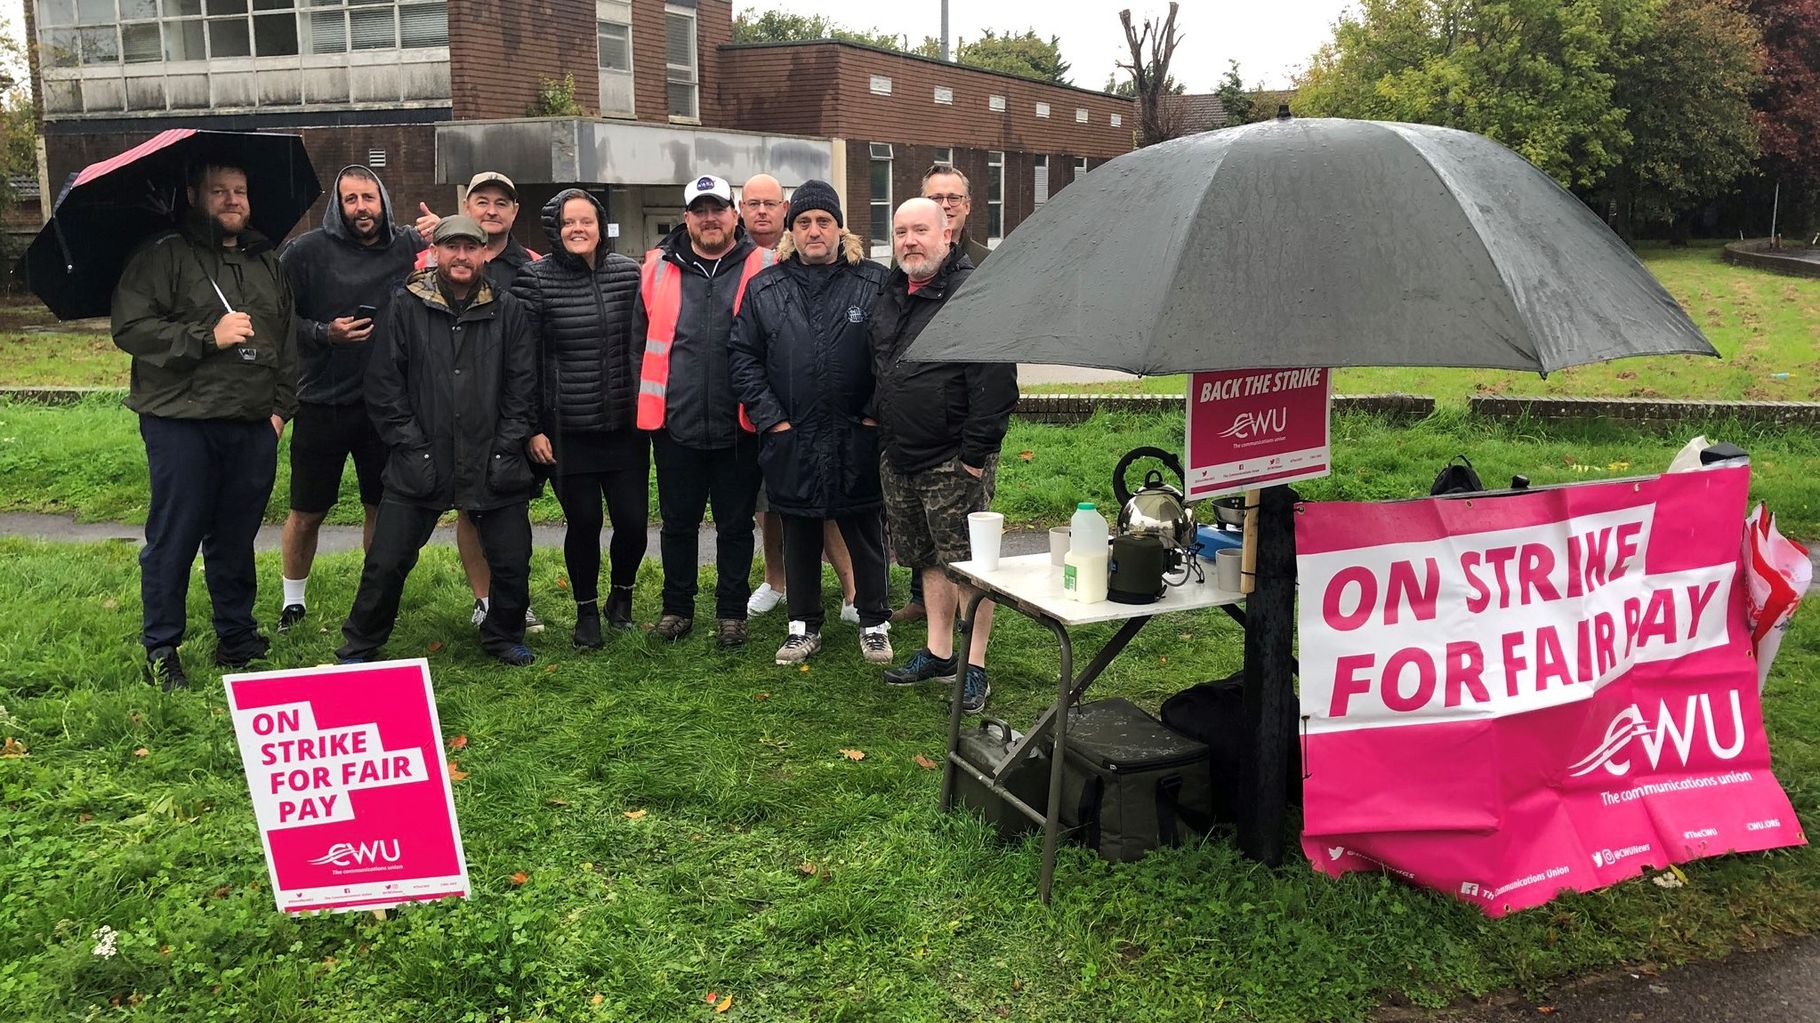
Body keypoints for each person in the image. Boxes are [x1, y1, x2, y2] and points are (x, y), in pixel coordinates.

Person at [111, 161, 297, 691]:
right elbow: (130, 327)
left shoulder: (267, 261)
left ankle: (236, 636)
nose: (232, 200)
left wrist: (280, 411)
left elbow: (286, 341)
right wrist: (206, 337)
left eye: (240, 191)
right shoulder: (162, 254)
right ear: (194, 196)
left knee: (236, 537)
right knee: (175, 536)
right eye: (219, 191)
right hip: (181, 422)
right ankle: (162, 647)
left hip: (252, 423)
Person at [337, 215, 539, 666]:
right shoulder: (404, 306)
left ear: (484, 254)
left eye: (471, 248)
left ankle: (502, 634)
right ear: (435, 253)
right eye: (452, 247)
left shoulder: (508, 309)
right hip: (420, 457)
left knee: (512, 560)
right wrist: (411, 445)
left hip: (492, 457)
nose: (461, 256)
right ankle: (360, 643)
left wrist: (506, 446)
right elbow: (384, 386)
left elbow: (523, 388)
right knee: (387, 560)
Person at [728, 180, 893, 665]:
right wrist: (772, 420)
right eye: (804, 222)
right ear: (791, 229)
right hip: (791, 436)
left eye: (823, 221)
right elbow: (743, 358)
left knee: (864, 528)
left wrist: (872, 414)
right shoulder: (765, 288)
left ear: (840, 228)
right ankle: (802, 625)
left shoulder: (874, 282)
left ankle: (874, 622)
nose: (814, 230)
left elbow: (893, 355)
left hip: (856, 433)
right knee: (798, 530)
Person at [873, 197, 1018, 713]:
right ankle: (939, 654)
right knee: (928, 560)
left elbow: (996, 382)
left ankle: (974, 664)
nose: (909, 241)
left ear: (947, 235)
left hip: (953, 460)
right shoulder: (891, 293)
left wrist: (974, 457)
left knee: (969, 566)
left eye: (920, 230)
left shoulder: (972, 293)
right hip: (901, 457)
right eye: (901, 232)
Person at [274, 165, 425, 633]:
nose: (361, 207)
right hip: (322, 402)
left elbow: (459, 255)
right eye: (351, 199)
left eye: (368, 197)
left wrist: (441, 229)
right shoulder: (305, 252)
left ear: (384, 201)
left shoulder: (407, 246)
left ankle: (372, 598)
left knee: (381, 507)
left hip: (386, 406)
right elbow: (277, 321)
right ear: (337, 206)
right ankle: (292, 601)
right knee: (307, 511)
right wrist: (324, 333)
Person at [633, 173, 774, 648]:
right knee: (677, 525)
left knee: (736, 526)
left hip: (741, 423)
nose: (709, 218)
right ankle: (677, 609)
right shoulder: (656, 268)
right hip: (676, 423)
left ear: (735, 215)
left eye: (718, 209)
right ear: (687, 218)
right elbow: (638, 345)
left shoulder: (765, 264)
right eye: (700, 211)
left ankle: (732, 613)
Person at [511, 189, 645, 648]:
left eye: (586, 221)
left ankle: (621, 598)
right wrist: (532, 427)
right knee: (584, 523)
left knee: (633, 522)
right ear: (555, 228)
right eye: (568, 222)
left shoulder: (628, 274)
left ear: (600, 226)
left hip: (625, 427)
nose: (578, 229)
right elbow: (522, 361)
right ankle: (586, 610)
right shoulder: (535, 280)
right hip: (566, 431)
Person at [417, 171, 545, 633]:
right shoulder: (429, 259)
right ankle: (484, 598)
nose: (491, 210)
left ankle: (514, 601)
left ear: (515, 212)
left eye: (501, 203)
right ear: (466, 208)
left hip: (513, 408)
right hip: (454, 408)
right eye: (482, 201)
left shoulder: (533, 265)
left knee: (511, 511)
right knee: (469, 509)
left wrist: (530, 421)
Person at [737, 173, 859, 624]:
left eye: (770, 203)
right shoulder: (732, 255)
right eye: (752, 203)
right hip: (758, 410)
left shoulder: (830, 263)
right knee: (769, 505)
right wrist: (769, 415)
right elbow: (742, 349)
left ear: (783, 210)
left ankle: (853, 590)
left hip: (817, 415)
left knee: (826, 505)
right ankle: (777, 581)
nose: (761, 211)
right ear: (740, 210)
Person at [897, 163, 994, 625]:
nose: (945, 204)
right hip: (912, 443)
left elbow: (992, 373)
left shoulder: (983, 268)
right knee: (926, 543)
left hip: (958, 439)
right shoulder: (903, 270)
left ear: (966, 207)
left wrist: (976, 452)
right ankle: (930, 617)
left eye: (952, 198)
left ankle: (971, 644)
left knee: (964, 549)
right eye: (936, 197)